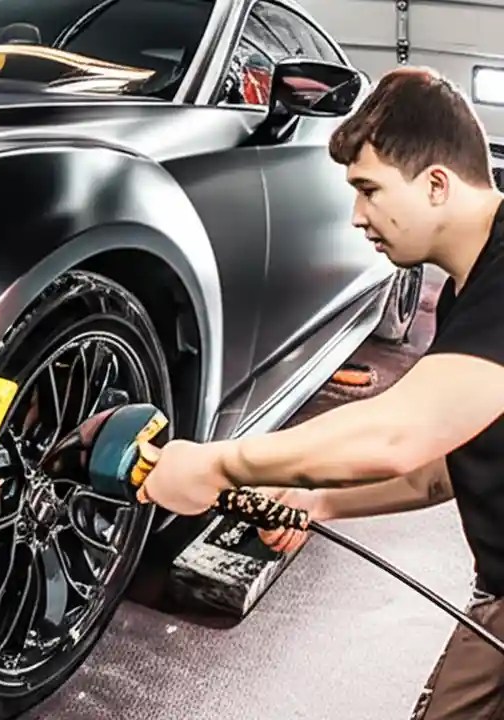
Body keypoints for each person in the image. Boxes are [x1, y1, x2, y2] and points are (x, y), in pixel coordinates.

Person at [135, 66, 504, 720]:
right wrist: (319, 501)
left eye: (368, 189)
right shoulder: (463, 296)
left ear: (437, 185)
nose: (358, 216)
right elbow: (445, 471)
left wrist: (218, 463)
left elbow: (399, 435)